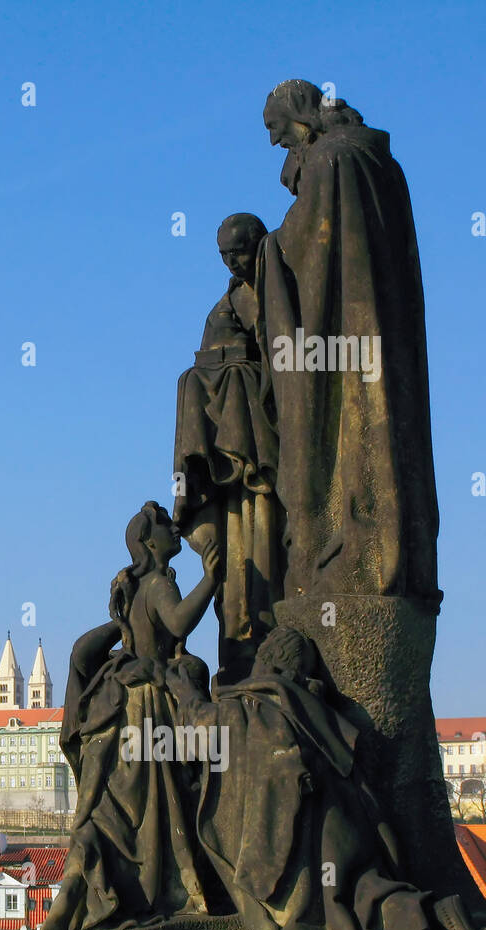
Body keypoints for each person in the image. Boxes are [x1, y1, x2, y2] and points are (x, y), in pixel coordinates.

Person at [255, 80, 439, 606]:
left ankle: (345, 559)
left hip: (341, 349)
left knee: (340, 449)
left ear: (300, 118)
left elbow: (300, 248)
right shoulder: (380, 163)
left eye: (275, 129)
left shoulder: (328, 163)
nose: (274, 144)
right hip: (389, 342)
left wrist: (268, 247)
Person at [167, 627, 442, 930]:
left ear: (269, 662)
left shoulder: (254, 705)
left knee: (330, 901)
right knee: (357, 896)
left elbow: (200, 730)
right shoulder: (312, 711)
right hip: (348, 839)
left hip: (301, 852)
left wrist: (185, 691)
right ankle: (401, 916)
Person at [41, 502, 225, 930]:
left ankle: (77, 882)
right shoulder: (160, 584)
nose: (174, 530)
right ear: (149, 542)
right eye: (165, 526)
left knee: (111, 808)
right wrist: (212, 580)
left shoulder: (138, 587)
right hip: (151, 704)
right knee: (157, 803)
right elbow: (179, 624)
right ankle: (161, 892)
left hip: (119, 705)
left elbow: (88, 650)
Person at [173, 212, 283, 683]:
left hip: (259, 423)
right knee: (189, 382)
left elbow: (284, 353)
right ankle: (194, 482)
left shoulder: (275, 286)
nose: (231, 262)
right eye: (224, 255)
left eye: (237, 252)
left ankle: (236, 461)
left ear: (257, 246)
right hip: (233, 461)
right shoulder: (231, 297)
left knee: (233, 379)